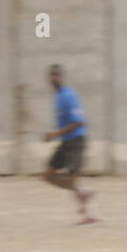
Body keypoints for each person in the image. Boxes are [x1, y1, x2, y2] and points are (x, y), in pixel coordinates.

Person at [42, 65, 96, 224]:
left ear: (62, 77)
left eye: (56, 75)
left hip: (76, 141)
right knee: (48, 176)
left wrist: (54, 134)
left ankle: (88, 215)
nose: (54, 78)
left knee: (72, 178)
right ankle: (83, 193)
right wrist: (56, 135)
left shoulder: (69, 95)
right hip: (65, 141)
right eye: (51, 75)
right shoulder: (57, 97)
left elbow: (78, 123)